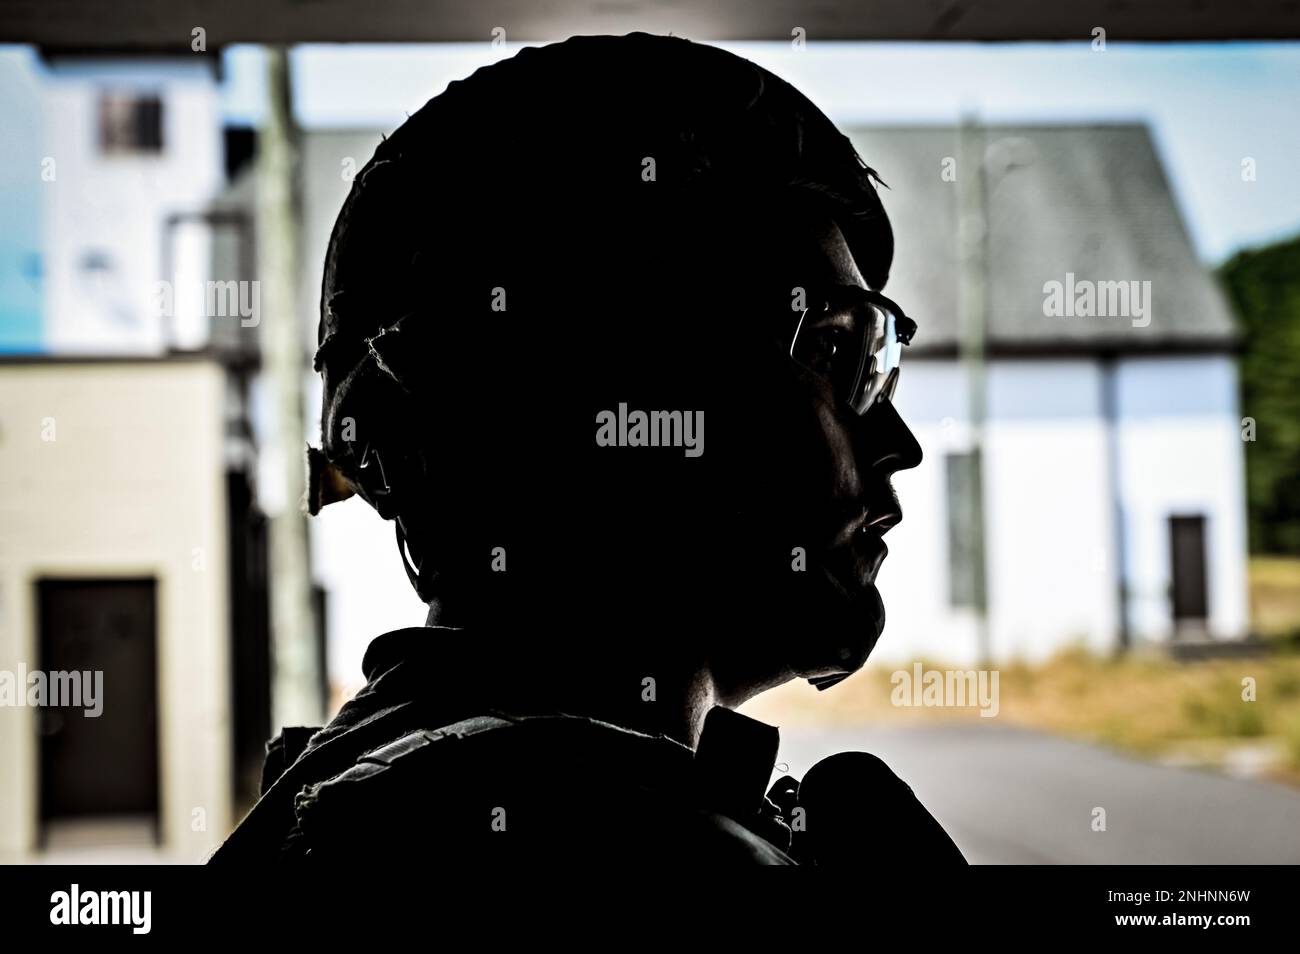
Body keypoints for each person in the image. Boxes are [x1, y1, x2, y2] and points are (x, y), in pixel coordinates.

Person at [210, 31, 964, 865]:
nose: (898, 444)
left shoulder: (376, 800)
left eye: (881, 366)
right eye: (832, 351)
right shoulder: (618, 847)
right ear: (624, 386)